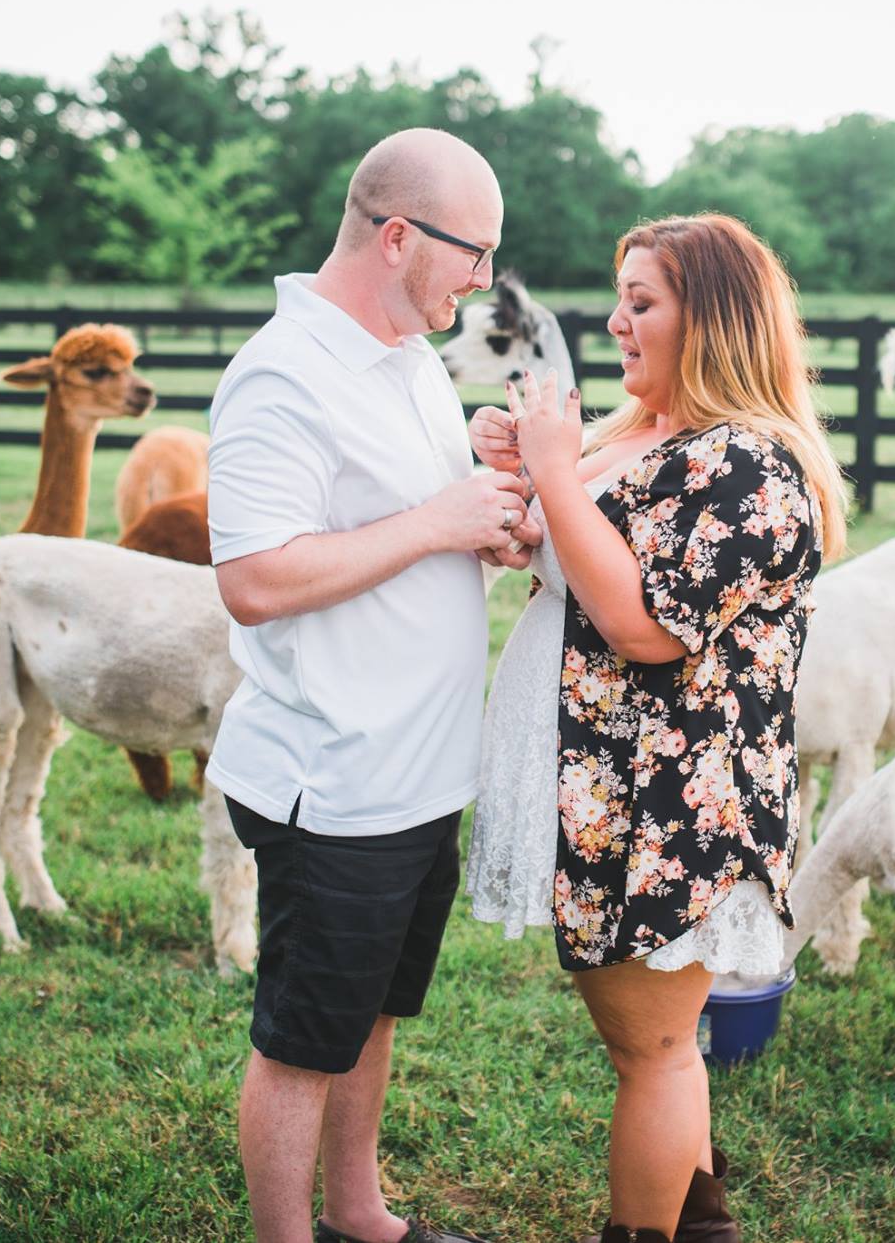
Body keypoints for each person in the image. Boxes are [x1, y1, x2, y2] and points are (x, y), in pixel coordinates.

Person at [466, 214, 847, 1243]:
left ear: (714, 321)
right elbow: (556, 555)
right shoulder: (637, 433)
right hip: (603, 788)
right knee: (657, 1042)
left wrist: (553, 474)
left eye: (643, 301)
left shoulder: (749, 466)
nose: (616, 320)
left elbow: (642, 625)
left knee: (655, 1051)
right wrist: (515, 461)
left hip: (671, 806)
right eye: (619, 296)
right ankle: (700, 1223)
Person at [206, 127, 538, 1243]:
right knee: (304, 1037)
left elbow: (399, 528)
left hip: (415, 772)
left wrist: (473, 507)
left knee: (373, 1012)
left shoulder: (404, 356)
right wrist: (436, 520)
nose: (485, 280)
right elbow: (253, 578)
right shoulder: (281, 373)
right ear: (397, 236)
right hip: (332, 777)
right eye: (473, 253)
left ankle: (358, 1213)